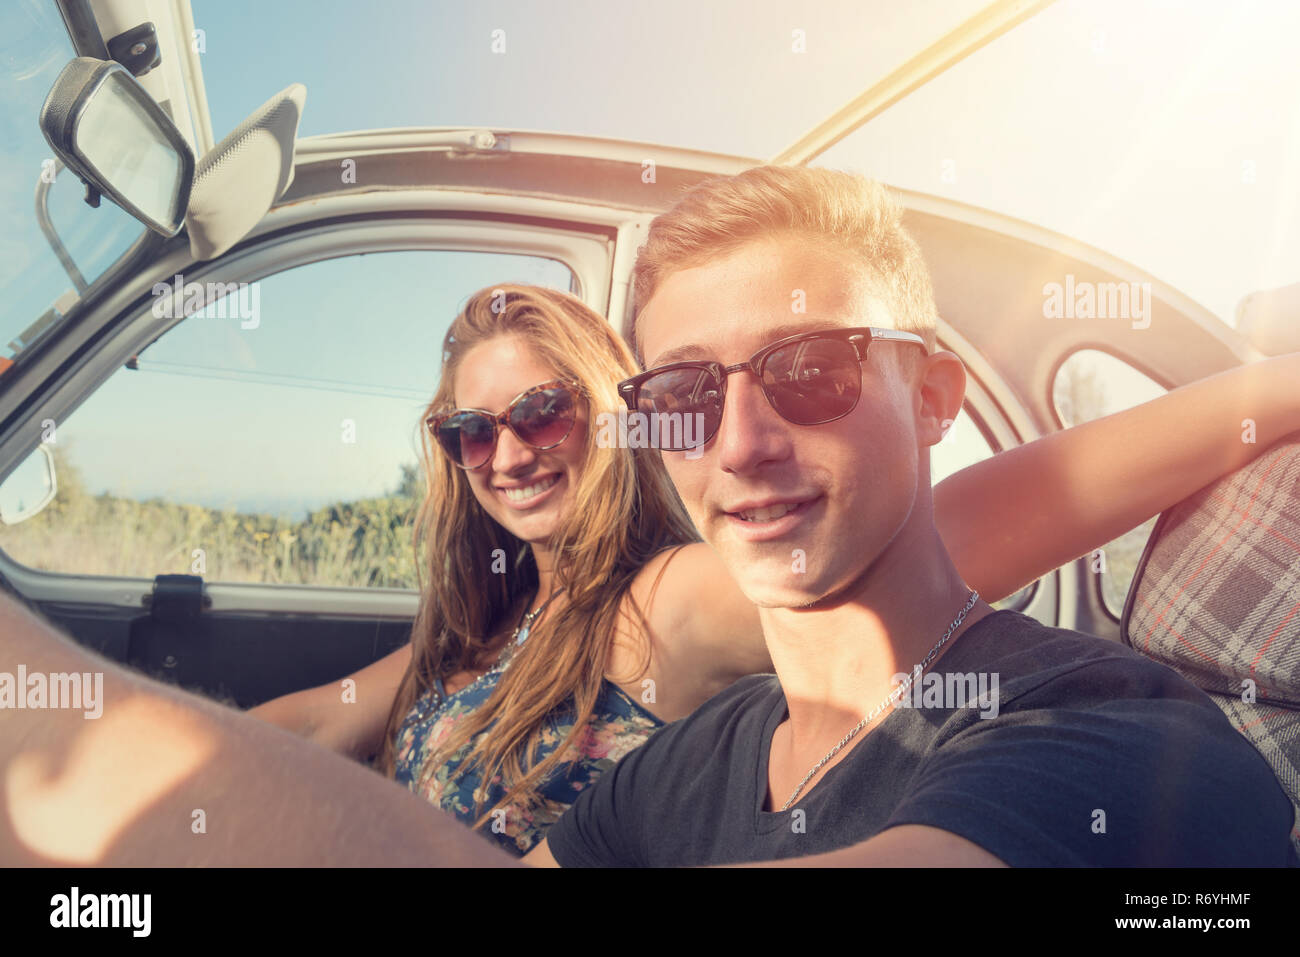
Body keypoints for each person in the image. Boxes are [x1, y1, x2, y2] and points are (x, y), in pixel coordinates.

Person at [3, 166, 1299, 867]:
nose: (507, 453)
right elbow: (319, 714)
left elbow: (983, 506)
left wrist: (1278, 386)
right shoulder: (511, 639)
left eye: (547, 414)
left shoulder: (674, 610)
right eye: (469, 432)